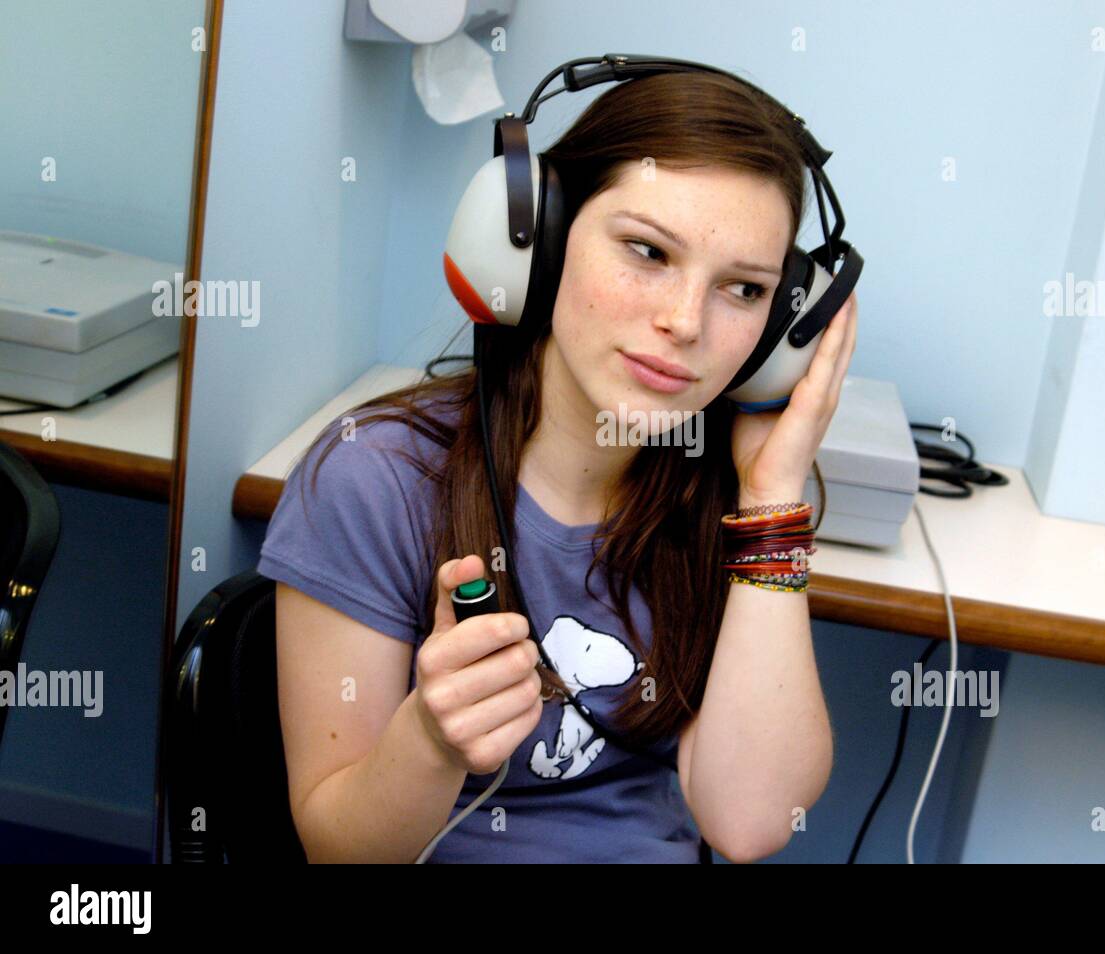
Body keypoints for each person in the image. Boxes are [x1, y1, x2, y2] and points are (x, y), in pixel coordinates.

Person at [257, 69, 858, 863]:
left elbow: (747, 824)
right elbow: (340, 852)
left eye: (743, 290)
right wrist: (433, 741)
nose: (684, 322)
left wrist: (772, 497)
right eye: (647, 251)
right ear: (540, 241)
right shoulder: (373, 479)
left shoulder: (726, 497)